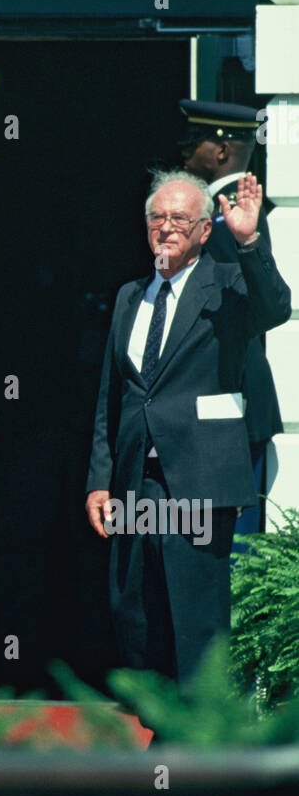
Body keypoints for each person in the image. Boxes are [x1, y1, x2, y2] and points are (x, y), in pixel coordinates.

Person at [85, 169, 291, 685]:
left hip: (198, 480)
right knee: (136, 614)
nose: (167, 227)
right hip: (136, 482)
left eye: (181, 218)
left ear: (204, 230)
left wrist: (248, 241)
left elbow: (276, 307)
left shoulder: (225, 285)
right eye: (158, 217)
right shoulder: (130, 296)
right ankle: (165, 726)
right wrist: (98, 480)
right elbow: (113, 397)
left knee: (195, 622)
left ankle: (198, 747)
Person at [178, 98, 282, 537]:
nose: (183, 156)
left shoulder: (232, 216)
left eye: (191, 145)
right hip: (225, 402)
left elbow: (258, 307)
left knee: (232, 553)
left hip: (231, 400)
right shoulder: (221, 209)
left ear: (220, 151)